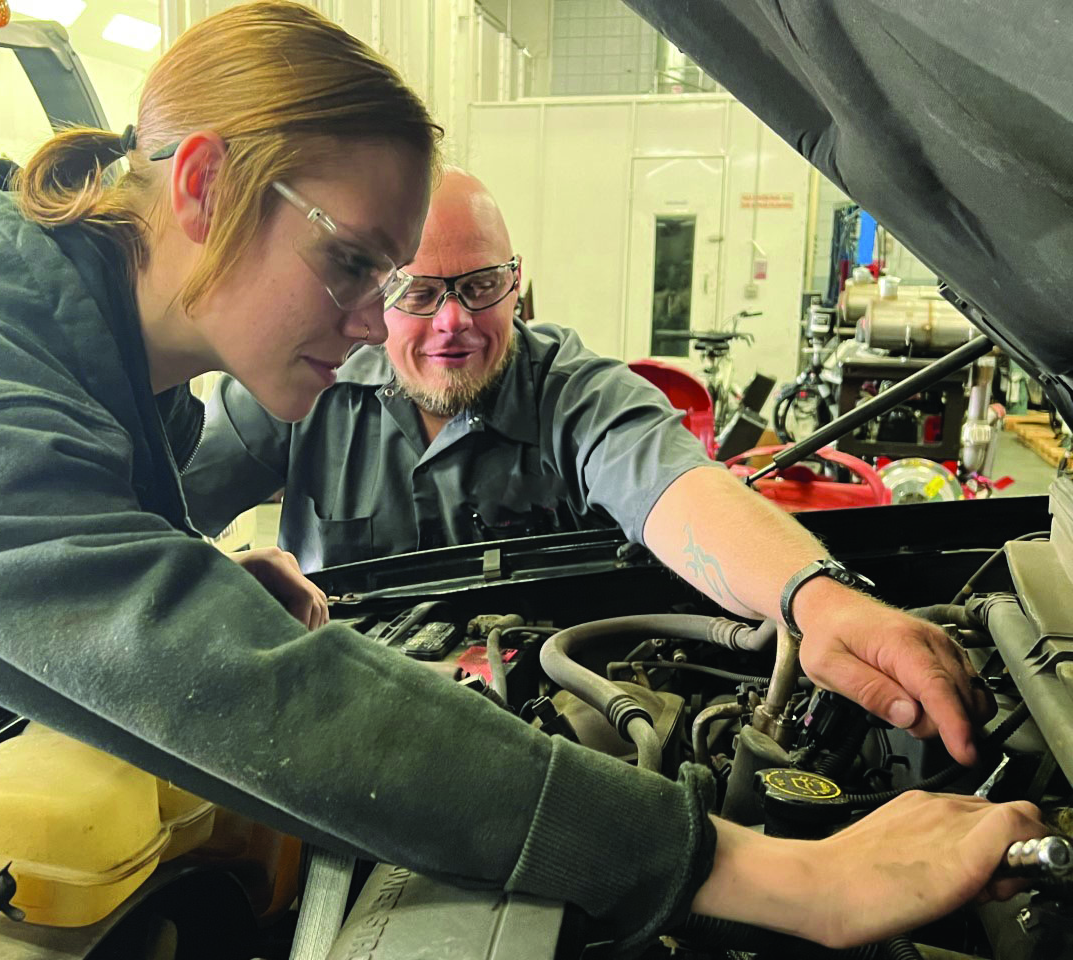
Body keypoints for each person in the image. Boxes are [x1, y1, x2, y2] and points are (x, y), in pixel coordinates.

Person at [0, 1, 1044, 950]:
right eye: (362, 270)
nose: (383, 324)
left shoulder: (101, 356)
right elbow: (262, 703)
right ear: (200, 184)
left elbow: (663, 477)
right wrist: (773, 874)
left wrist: (813, 598)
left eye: (456, 283)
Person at [185, 167, 993, 768]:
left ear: (518, 284)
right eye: (420, 292)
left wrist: (815, 599)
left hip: (543, 735)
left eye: (481, 285)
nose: (454, 323)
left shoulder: (574, 393)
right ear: (375, 293)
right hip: (334, 727)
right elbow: (149, 508)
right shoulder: (306, 380)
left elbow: (677, 489)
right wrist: (207, 575)